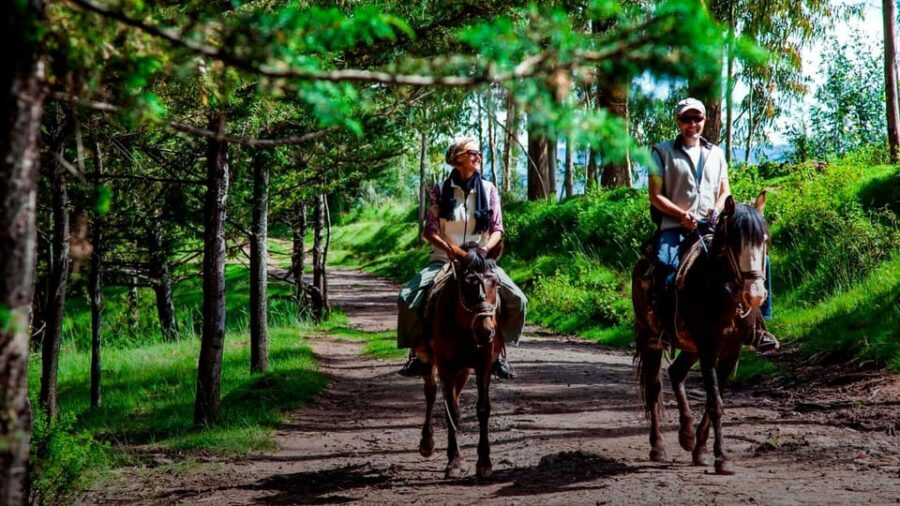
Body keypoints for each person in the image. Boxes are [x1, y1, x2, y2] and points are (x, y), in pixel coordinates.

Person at [648, 98, 779, 353]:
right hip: (675, 227)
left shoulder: (716, 153)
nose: (692, 124)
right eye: (686, 119)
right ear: (678, 121)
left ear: (704, 120)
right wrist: (681, 214)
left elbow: (724, 191)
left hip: (710, 226)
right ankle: (665, 329)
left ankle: (760, 326)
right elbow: (655, 195)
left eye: (697, 118)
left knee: (758, 261)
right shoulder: (661, 152)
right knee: (665, 266)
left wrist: (717, 209)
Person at [397, 137, 528, 379]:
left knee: (518, 299)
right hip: (444, 259)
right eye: (472, 153)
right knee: (407, 298)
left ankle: (497, 353)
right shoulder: (440, 191)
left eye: (478, 153)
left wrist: (484, 250)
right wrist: (450, 250)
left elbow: (497, 229)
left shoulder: (489, 189)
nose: (478, 157)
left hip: (480, 260)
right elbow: (430, 231)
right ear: (459, 159)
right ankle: (421, 355)